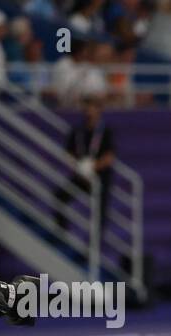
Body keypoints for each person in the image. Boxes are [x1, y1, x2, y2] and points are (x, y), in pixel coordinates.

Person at [53, 95, 116, 240]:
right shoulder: (77, 131)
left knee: (100, 212)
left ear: (98, 110)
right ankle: (61, 232)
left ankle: (93, 247)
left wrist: (92, 167)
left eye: (92, 107)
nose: (88, 111)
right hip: (81, 175)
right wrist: (78, 167)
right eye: (86, 107)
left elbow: (109, 157)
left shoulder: (106, 131)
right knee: (60, 196)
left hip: (99, 178)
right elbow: (68, 153)